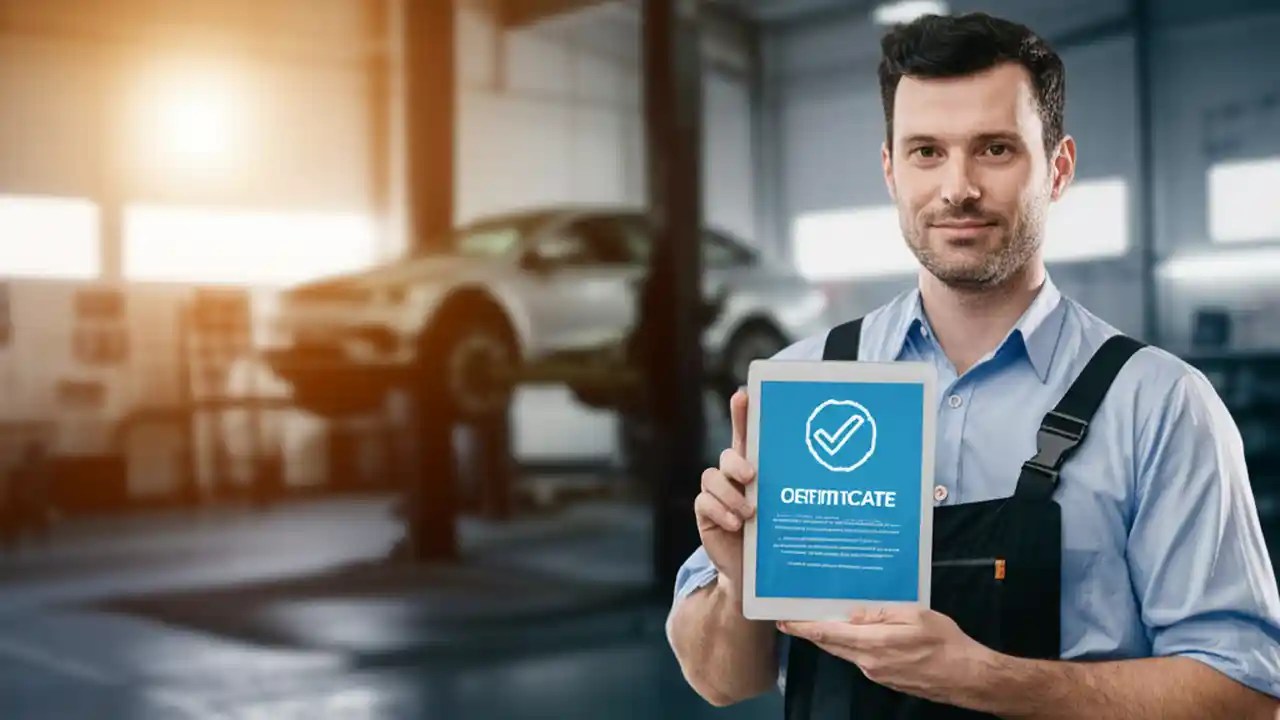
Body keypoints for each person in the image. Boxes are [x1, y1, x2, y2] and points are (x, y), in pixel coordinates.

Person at [666, 12, 1280, 719]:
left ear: (1058, 168)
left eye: (994, 149)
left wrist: (985, 678)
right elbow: (721, 680)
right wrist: (740, 580)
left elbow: (1245, 696)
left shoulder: (1159, 405)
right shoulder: (806, 383)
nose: (957, 187)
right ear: (891, 170)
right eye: (927, 151)